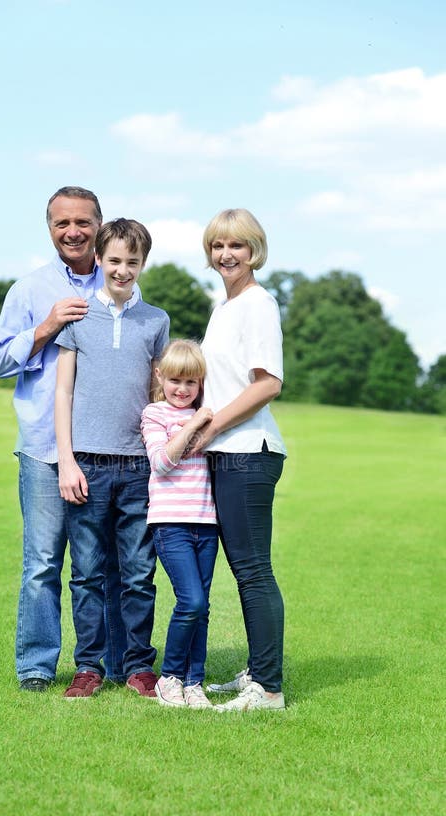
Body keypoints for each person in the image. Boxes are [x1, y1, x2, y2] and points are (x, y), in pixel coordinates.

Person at [0, 186, 127, 691]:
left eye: (83, 223)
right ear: (49, 228)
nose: (73, 232)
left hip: (109, 454)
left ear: (98, 224)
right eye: (62, 223)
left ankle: (107, 664)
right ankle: (37, 667)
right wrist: (44, 328)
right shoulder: (29, 290)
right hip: (45, 449)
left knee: (105, 564)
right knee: (43, 563)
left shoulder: (120, 283)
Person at [55, 218, 170, 699]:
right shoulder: (78, 316)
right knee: (86, 573)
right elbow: (62, 391)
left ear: (143, 264)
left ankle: (139, 666)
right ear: (99, 260)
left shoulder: (156, 321)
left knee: (140, 574)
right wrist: (66, 460)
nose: (123, 270)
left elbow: (160, 391)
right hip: (86, 463)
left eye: (133, 262)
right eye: (115, 260)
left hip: (139, 467)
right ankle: (88, 668)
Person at [194, 208, 288, 712]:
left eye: (237, 246)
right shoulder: (224, 308)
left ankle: (268, 688)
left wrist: (209, 427)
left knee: (253, 571)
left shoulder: (258, 303)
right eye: (218, 246)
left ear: (255, 250)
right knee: (244, 569)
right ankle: (258, 669)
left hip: (248, 453)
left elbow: (267, 383)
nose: (227, 255)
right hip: (226, 452)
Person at [141, 340, 219, 709]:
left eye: (192, 383)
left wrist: (203, 418)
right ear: (160, 376)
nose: (183, 389)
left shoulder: (206, 412)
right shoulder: (154, 414)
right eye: (175, 380)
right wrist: (196, 423)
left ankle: (194, 682)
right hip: (170, 523)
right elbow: (162, 462)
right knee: (191, 601)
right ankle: (169, 677)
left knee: (201, 607)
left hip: (205, 523)